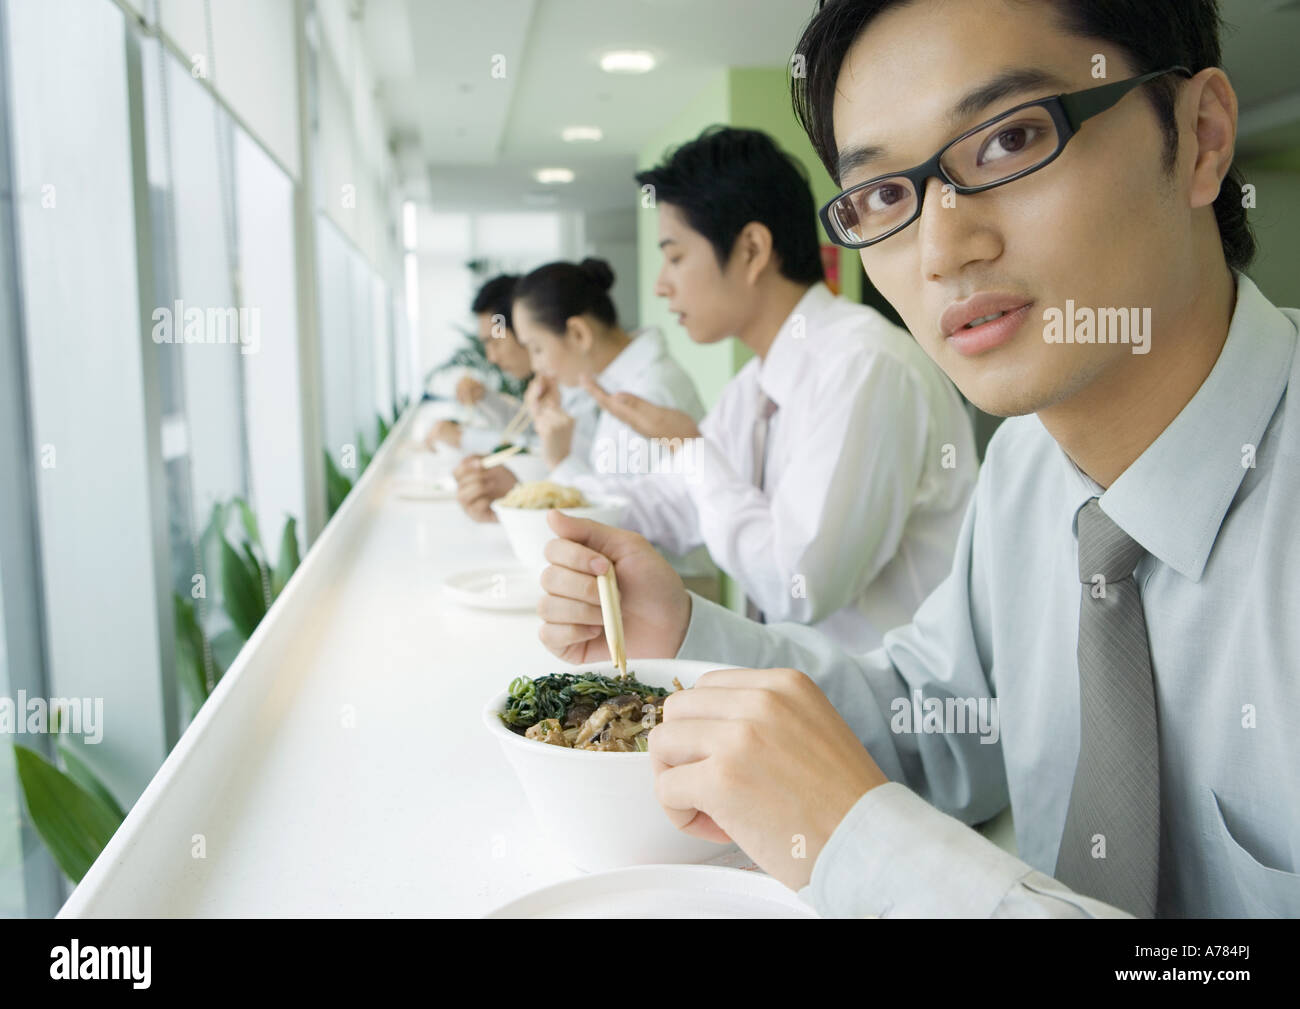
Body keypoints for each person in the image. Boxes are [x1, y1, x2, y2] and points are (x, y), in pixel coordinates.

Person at [535, 0, 1299, 918]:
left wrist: (864, 848)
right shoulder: (1025, 467)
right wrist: (689, 640)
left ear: (1202, 136)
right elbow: (934, 720)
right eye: (883, 196)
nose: (942, 249)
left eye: (1011, 140)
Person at [571, 126, 977, 652]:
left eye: (674, 256)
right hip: (799, 697)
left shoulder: (864, 366)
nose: (660, 285)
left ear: (752, 250)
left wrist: (692, 449)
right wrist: (546, 501)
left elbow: (796, 586)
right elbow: (674, 505)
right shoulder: (755, 384)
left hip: (887, 721)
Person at [454, 259, 708, 564]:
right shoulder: (609, 383)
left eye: (536, 348)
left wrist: (550, 472)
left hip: (668, 584)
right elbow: (607, 476)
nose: (536, 365)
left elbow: (627, 523)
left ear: (578, 334)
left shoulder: (649, 393)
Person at [424, 274, 534, 455]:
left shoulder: (571, 381)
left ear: (523, 327)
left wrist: (463, 438)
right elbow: (530, 427)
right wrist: (483, 397)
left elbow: (540, 447)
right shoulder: (547, 380)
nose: (491, 358)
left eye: (496, 343)